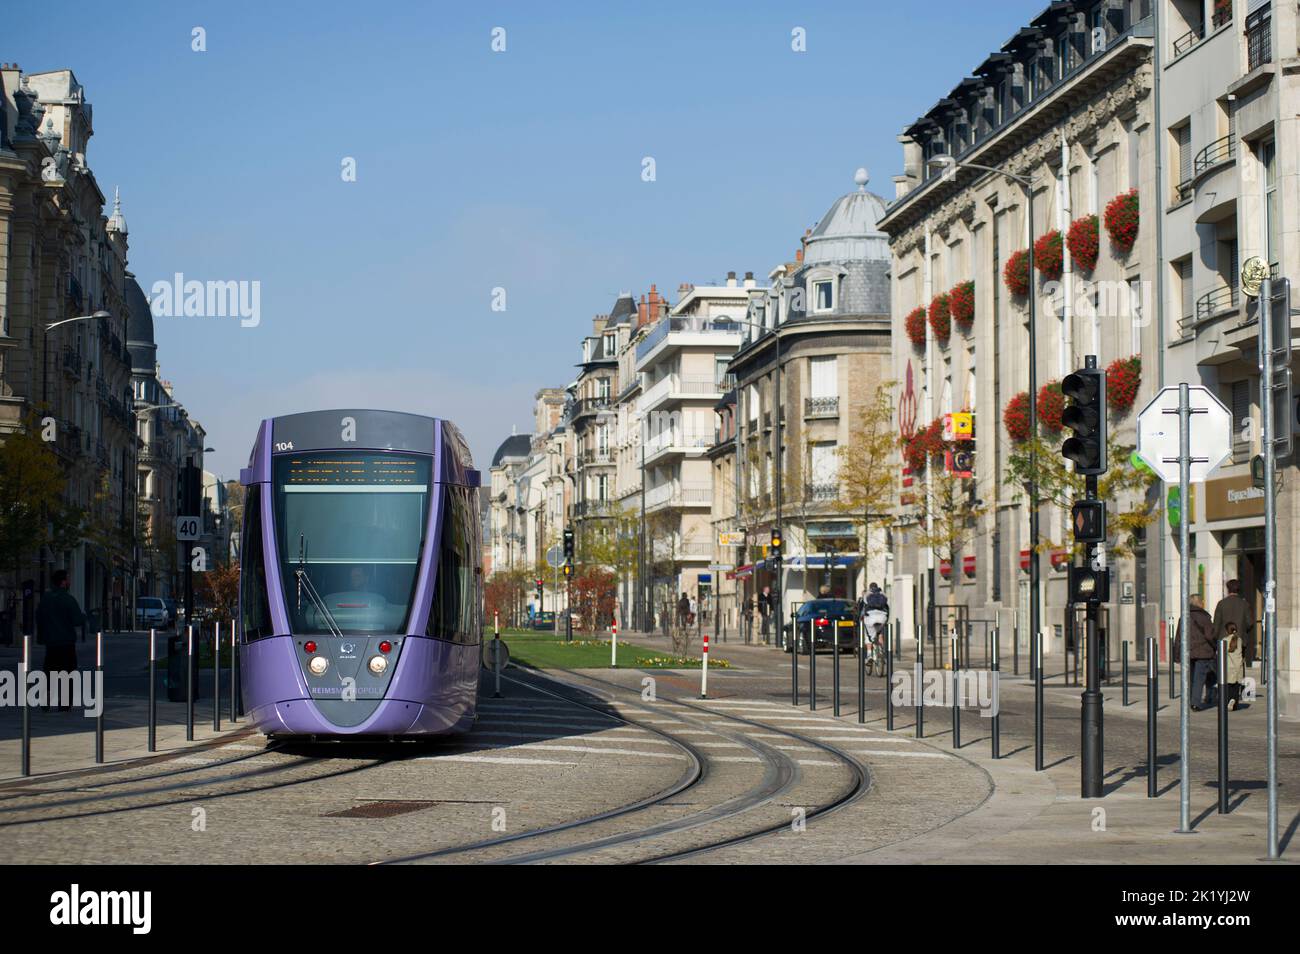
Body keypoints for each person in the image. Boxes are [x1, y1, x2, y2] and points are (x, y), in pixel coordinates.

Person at [36, 569, 86, 711]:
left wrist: (42, 637)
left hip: (51, 643)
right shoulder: (68, 599)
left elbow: (39, 618)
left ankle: (45, 702)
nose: (70, 581)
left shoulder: (46, 598)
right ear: (63, 582)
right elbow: (77, 620)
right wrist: (84, 617)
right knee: (67, 673)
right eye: (68, 578)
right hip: (66, 643)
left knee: (49, 673)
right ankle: (64, 704)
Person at [1175, 594, 1217, 710]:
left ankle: (1190, 701)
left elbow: (1179, 637)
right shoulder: (1204, 617)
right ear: (1199, 602)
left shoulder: (1184, 617)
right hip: (1203, 652)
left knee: (1191, 677)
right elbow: (1210, 635)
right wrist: (1216, 646)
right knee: (1200, 677)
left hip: (1188, 652)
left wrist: (1177, 655)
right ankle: (1195, 703)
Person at [1212, 579, 1256, 667]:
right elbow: (1250, 622)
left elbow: (1216, 624)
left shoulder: (1221, 604)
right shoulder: (1244, 604)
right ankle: (1236, 680)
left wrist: (1214, 639)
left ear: (1228, 589)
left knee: (1223, 666)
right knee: (1237, 665)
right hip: (1239, 638)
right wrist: (1243, 630)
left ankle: (1225, 680)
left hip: (1223, 639)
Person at [1222, 622, 1246, 711]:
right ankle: (1234, 702)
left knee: (1228, 686)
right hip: (1238, 667)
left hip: (1229, 667)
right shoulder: (1239, 640)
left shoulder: (1224, 640)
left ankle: (1229, 700)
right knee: (1236, 686)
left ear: (1227, 630)